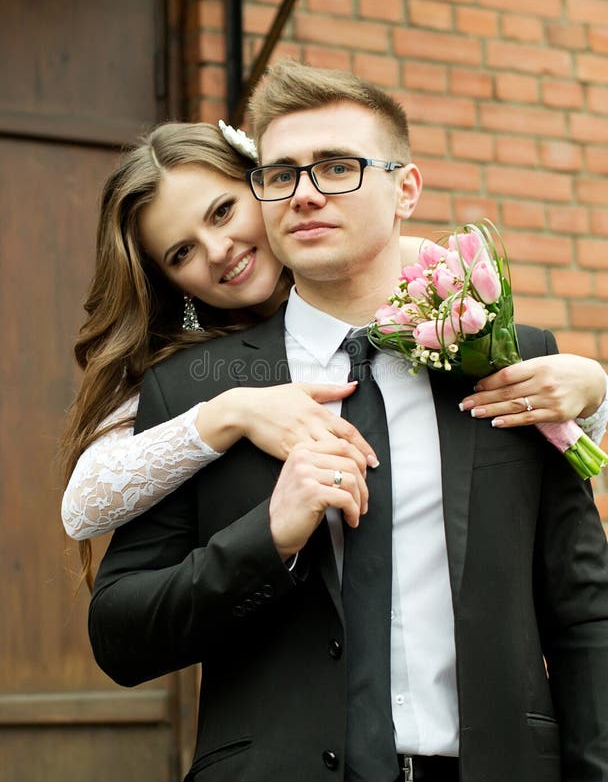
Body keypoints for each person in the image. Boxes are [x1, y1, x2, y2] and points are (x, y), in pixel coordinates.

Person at [87, 62, 608, 782]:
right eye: (281, 174)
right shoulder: (194, 390)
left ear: (406, 189)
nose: (305, 192)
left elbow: (586, 613)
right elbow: (119, 636)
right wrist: (266, 538)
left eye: (337, 167)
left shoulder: (504, 354)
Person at [61, 121, 608, 599]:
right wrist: (231, 413)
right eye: (182, 252)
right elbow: (82, 507)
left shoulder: (414, 277)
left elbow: (517, 425)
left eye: (224, 212)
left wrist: (594, 391)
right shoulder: (183, 371)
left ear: (269, 185)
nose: (219, 249)